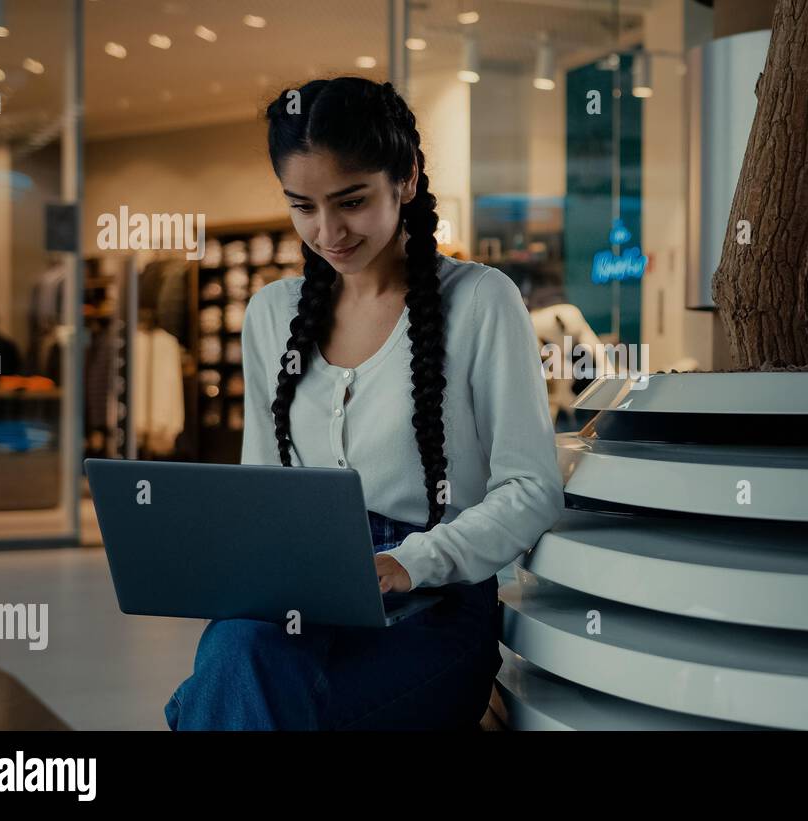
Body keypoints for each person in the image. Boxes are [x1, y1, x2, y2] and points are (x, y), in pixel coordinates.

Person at [164, 77, 565, 731]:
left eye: (351, 201)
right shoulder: (271, 314)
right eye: (303, 206)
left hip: (436, 604)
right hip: (300, 600)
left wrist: (408, 562)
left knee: (247, 689)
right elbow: (263, 491)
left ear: (405, 178)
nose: (328, 231)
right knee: (243, 649)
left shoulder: (482, 301)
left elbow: (531, 489)